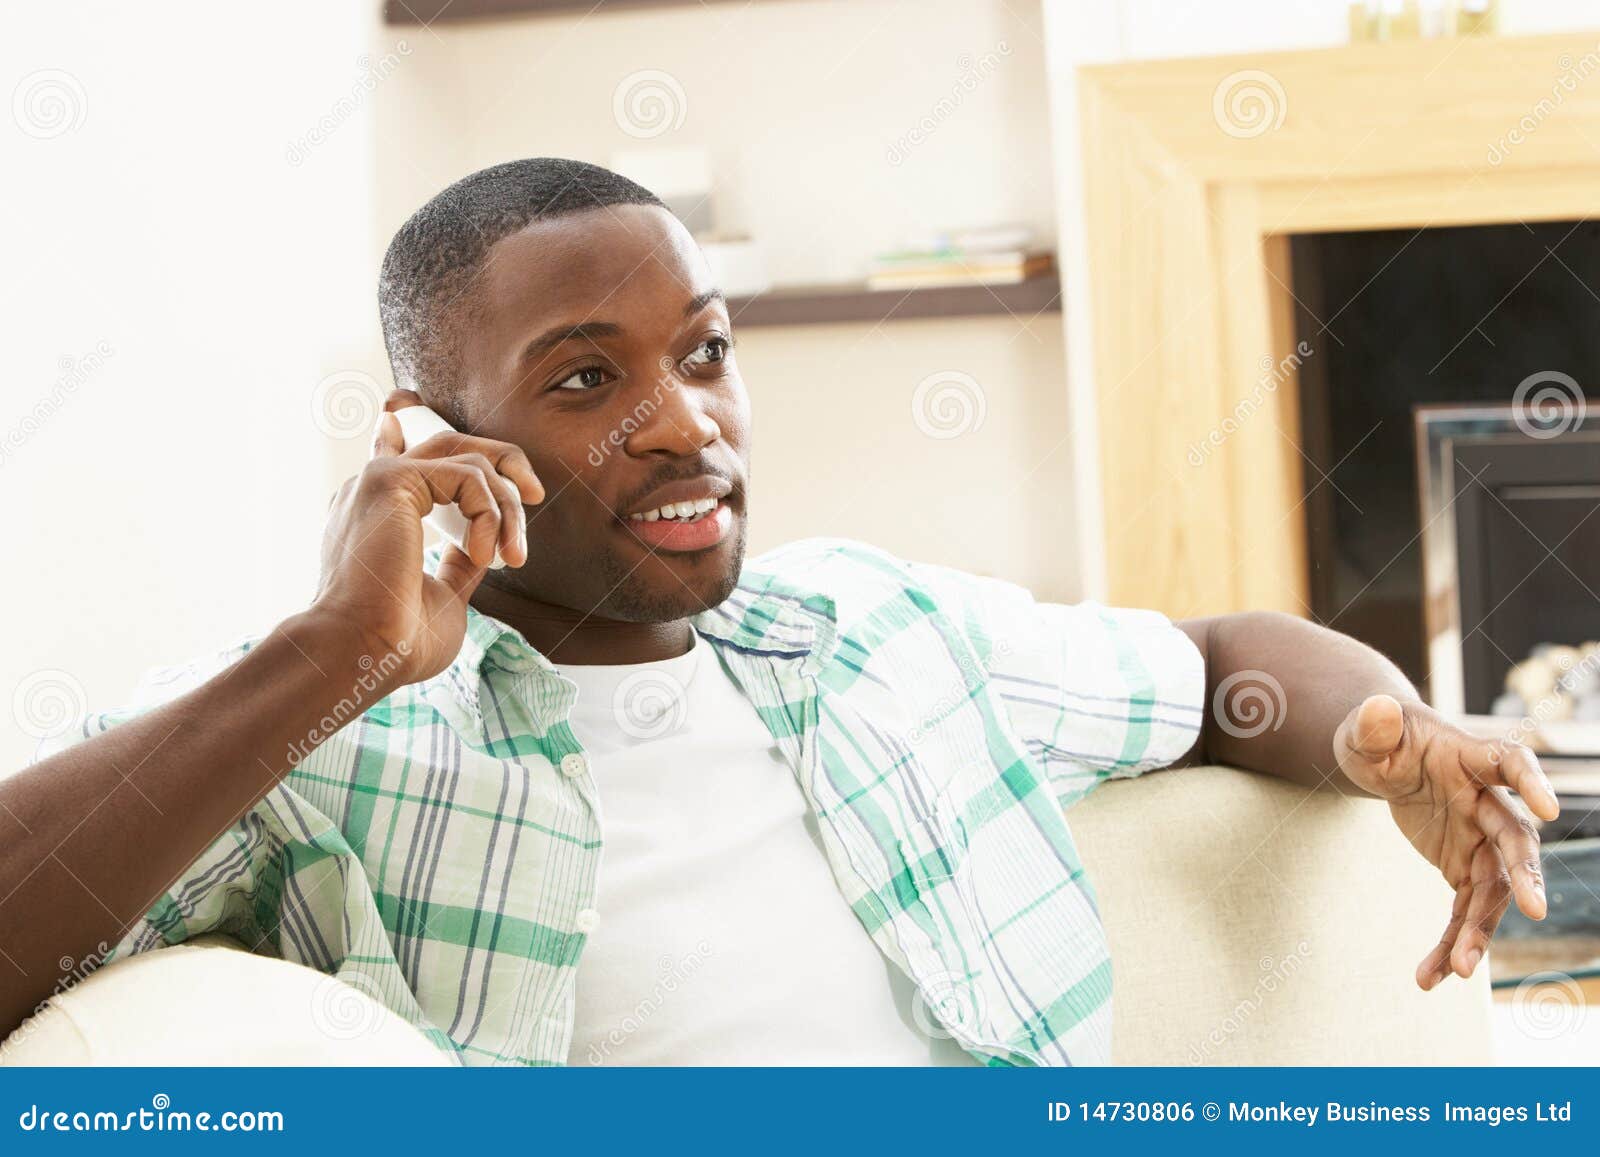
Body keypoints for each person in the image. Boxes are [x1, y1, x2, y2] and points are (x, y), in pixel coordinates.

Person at [0, 158, 1556, 1066]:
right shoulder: (335, 729)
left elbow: (1219, 666)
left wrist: (1392, 730)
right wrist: (330, 652)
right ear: (430, 439)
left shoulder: (875, 631)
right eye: (589, 377)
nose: (687, 423)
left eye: (710, 349)